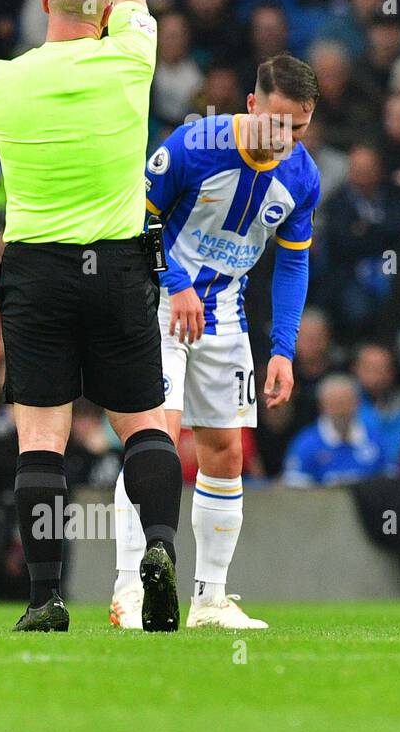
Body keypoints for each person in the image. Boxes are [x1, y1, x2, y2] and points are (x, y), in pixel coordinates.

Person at [0, 0, 184, 633]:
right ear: (108, 13)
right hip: (117, 267)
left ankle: (47, 597)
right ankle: (157, 548)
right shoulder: (130, 60)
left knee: (41, 441)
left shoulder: (2, 79)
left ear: (46, 8)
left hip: (37, 272)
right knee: (145, 426)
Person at [111, 54, 322, 631]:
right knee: (156, 439)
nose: (285, 138)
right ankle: (129, 592)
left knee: (226, 448)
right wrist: (175, 284)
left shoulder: (302, 178)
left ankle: (210, 599)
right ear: (252, 105)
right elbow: (138, 219)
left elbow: (292, 267)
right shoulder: (191, 144)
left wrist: (282, 347)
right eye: (276, 122)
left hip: (224, 316)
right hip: (159, 307)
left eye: (298, 127)